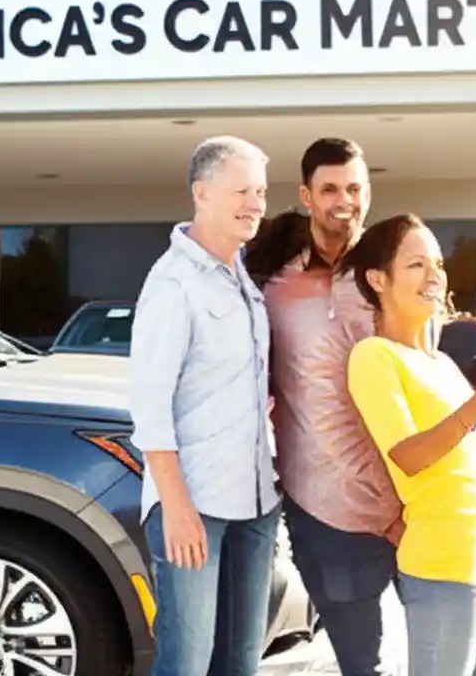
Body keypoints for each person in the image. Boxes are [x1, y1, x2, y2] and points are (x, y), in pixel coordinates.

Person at [244, 137, 405, 675]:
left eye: (355, 187)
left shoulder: (396, 272)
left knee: (451, 657)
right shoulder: (271, 283)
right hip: (324, 507)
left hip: (418, 493)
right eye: (331, 188)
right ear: (306, 197)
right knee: (363, 666)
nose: (345, 200)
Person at [342, 213, 476, 676]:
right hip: (446, 564)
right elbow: (407, 456)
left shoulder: (441, 361)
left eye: (438, 262)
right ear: (378, 279)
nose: (434, 276)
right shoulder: (375, 356)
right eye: (416, 264)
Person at [129, 135, 281, 676]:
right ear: (202, 193)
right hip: (196, 506)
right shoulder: (173, 284)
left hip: (256, 503)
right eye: (242, 190)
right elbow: (149, 406)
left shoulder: (241, 277)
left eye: (261, 191)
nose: (256, 204)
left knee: (241, 663)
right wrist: (177, 508)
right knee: (187, 664)